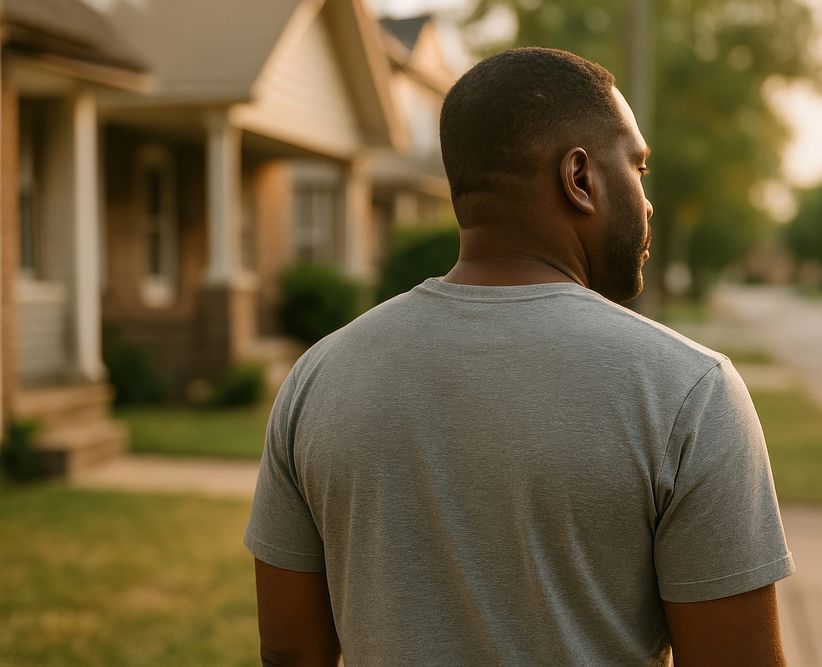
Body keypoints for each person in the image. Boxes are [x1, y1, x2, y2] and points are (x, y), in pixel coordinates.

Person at [245, 47, 794, 666]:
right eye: (638, 168)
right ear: (579, 179)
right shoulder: (688, 390)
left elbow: (291, 652)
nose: (647, 202)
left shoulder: (319, 378)